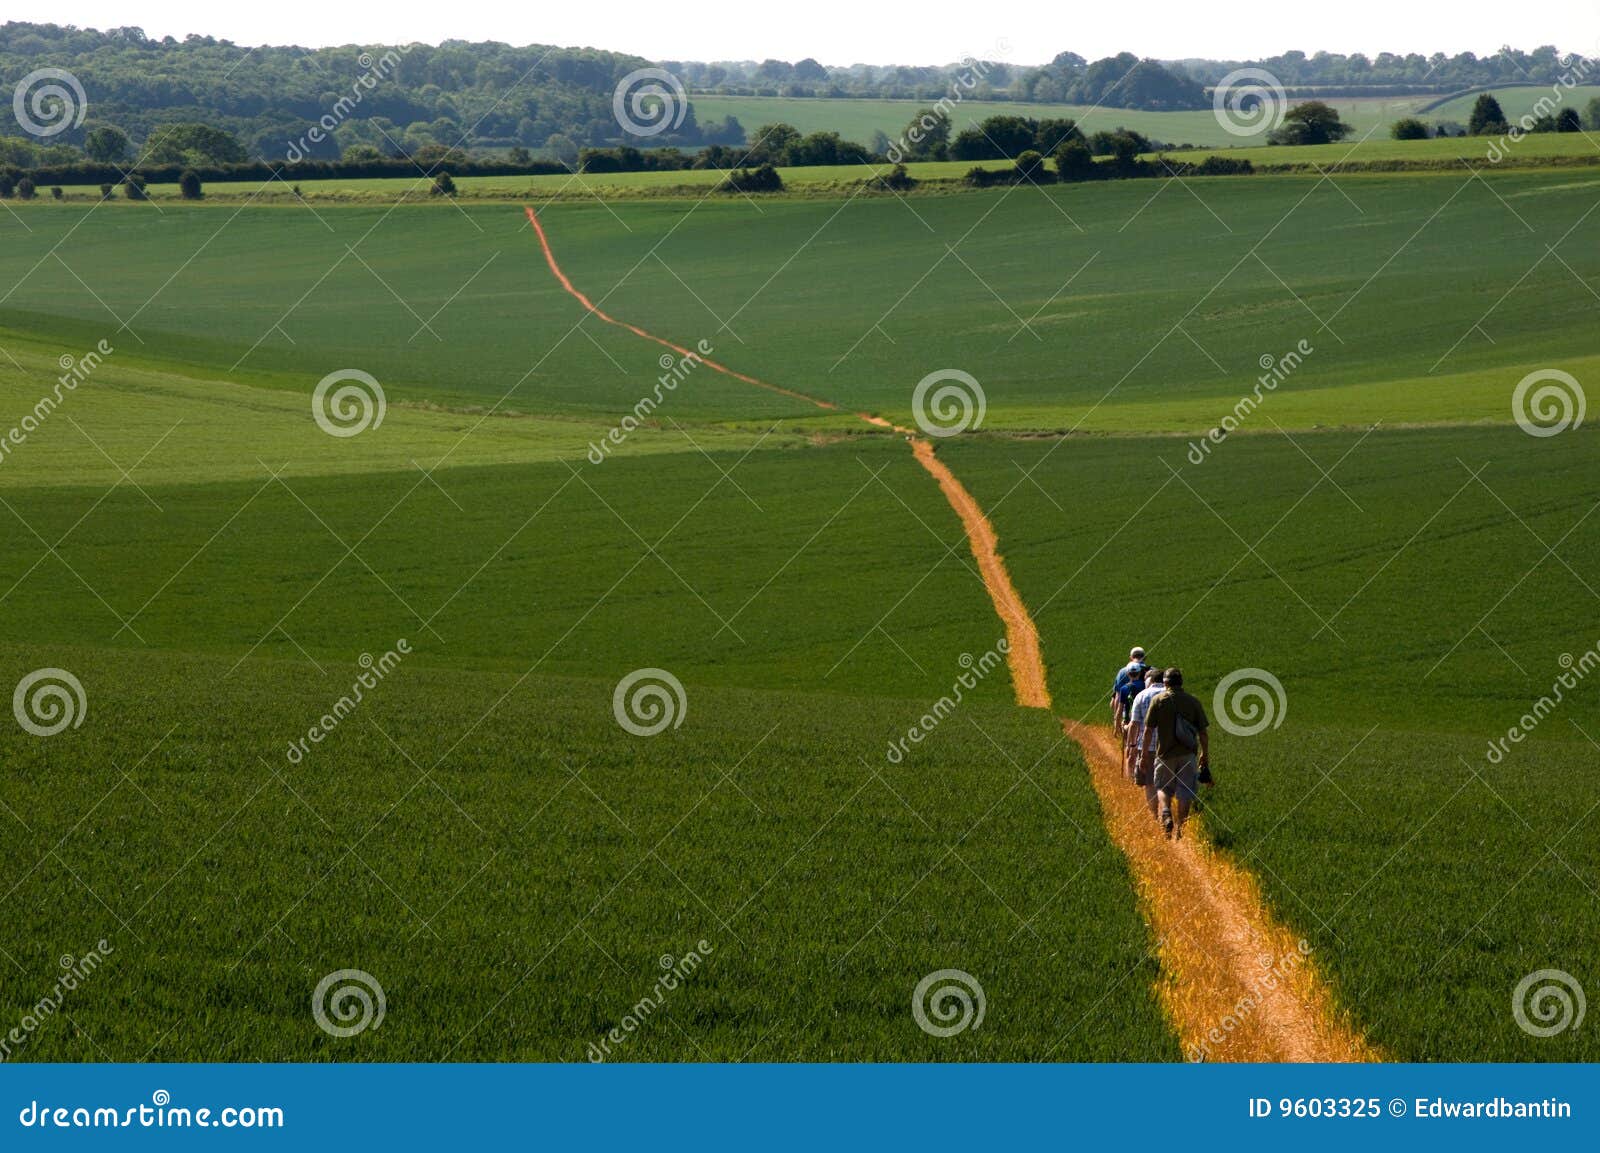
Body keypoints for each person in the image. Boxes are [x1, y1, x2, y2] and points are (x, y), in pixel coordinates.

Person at [1142, 667, 1210, 840]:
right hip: (1188, 754)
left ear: (1165, 683)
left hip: (1165, 754)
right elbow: (1203, 733)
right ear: (1181, 683)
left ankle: (1165, 812)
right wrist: (1204, 754)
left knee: (1163, 787)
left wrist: (1144, 754)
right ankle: (1180, 831)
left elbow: (1148, 731)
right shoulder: (1193, 702)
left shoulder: (1158, 701)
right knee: (1185, 792)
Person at [1126, 666, 1165, 789]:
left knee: (1148, 784)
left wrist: (1132, 746)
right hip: (1169, 747)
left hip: (1146, 747)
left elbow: (1134, 724)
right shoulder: (1172, 695)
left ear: (1150, 680)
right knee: (1165, 785)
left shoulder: (1141, 695)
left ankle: (1153, 802)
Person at [1110, 646, 1148, 740]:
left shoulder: (1123, 672)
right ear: (1145, 657)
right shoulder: (1152, 671)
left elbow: (1117, 698)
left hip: (1128, 711)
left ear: (1130, 658)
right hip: (1147, 711)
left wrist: (1116, 722)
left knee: (1129, 736)